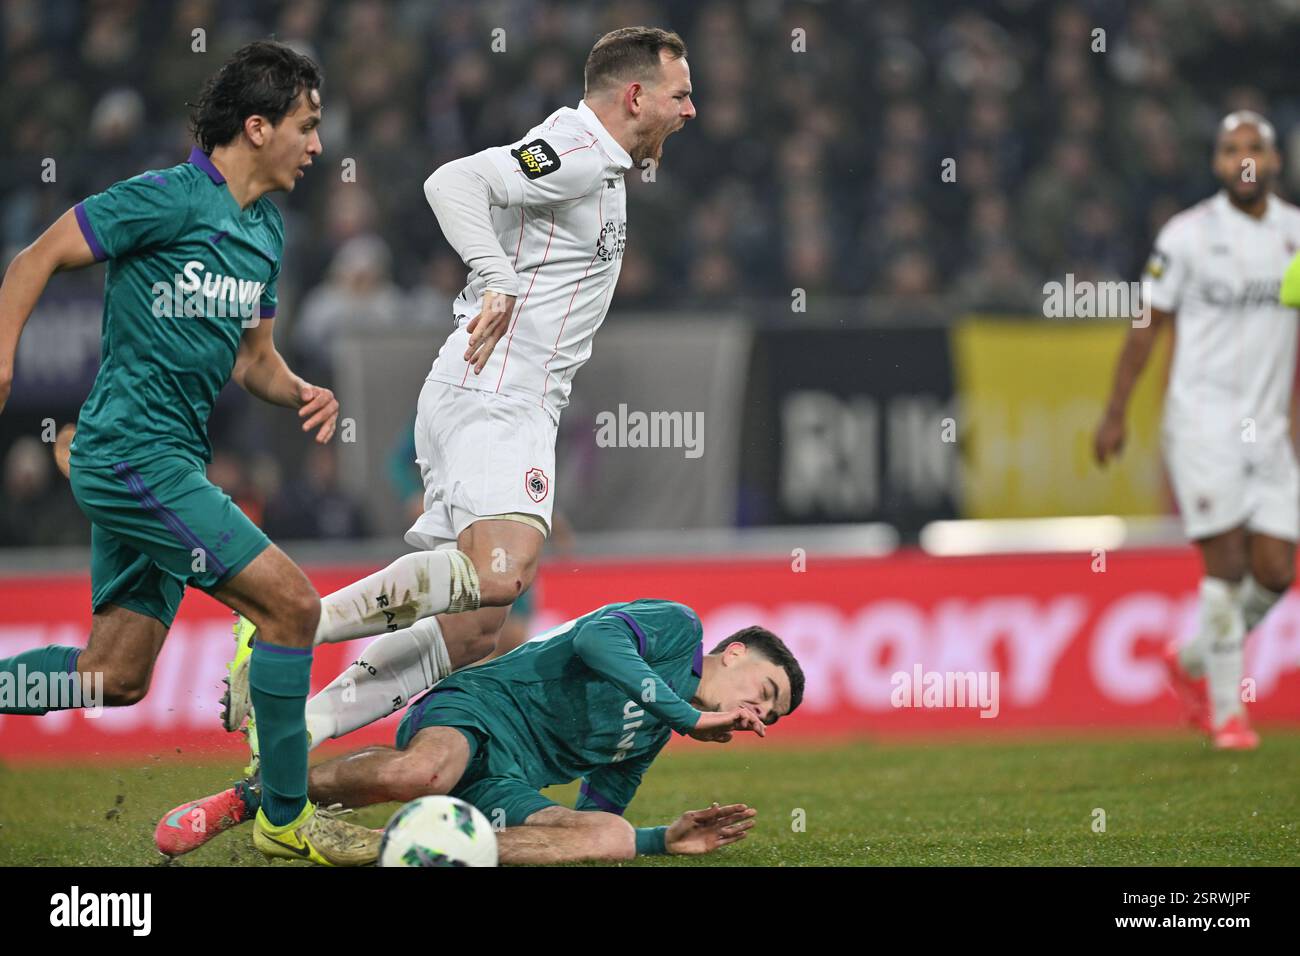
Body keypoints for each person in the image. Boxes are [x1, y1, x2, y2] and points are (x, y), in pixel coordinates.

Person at [220, 27, 699, 758]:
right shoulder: (573, 149)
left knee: (473, 629)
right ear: (635, 96)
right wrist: (498, 278)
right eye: (681, 94)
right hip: (497, 390)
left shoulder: (601, 165)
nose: (691, 111)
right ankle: (289, 622)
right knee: (501, 575)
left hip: (512, 397)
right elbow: (451, 182)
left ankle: (295, 735)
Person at [0, 40, 378, 863]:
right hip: (130, 453)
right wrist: (1, 358)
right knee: (292, 606)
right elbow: (35, 259)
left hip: (169, 460)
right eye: (307, 127)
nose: (318, 146)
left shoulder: (269, 232)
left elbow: (252, 363)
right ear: (256, 126)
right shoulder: (164, 200)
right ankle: (285, 818)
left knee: (114, 674)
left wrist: (301, 388)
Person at [158, 599, 803, 865]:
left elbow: (588, 821)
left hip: (505, 780)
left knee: (612, 835)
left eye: (766, 719)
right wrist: (687, 714)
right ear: (737, 651)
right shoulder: (680, 628)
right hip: (483, 707)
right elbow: (594, 636)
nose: (756, 715)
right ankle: (247, 799)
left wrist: (664, 840)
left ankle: (413, 848)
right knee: (420, 772)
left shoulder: (650, 740)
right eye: (764, 693)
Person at [1094, 111, 1300, 750]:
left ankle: (1188, 660)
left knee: (1277, 570)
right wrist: (1115, 411)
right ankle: (1227, 715)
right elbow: (1145, 327)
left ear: (1274, 161)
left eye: (1255, 149)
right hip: (1202, 424)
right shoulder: (1185, 236)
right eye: (1231, 149)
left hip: (1266, 431)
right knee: (1228, 567)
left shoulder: (1296, 237)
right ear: (1216, 163)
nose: (1244, 160)